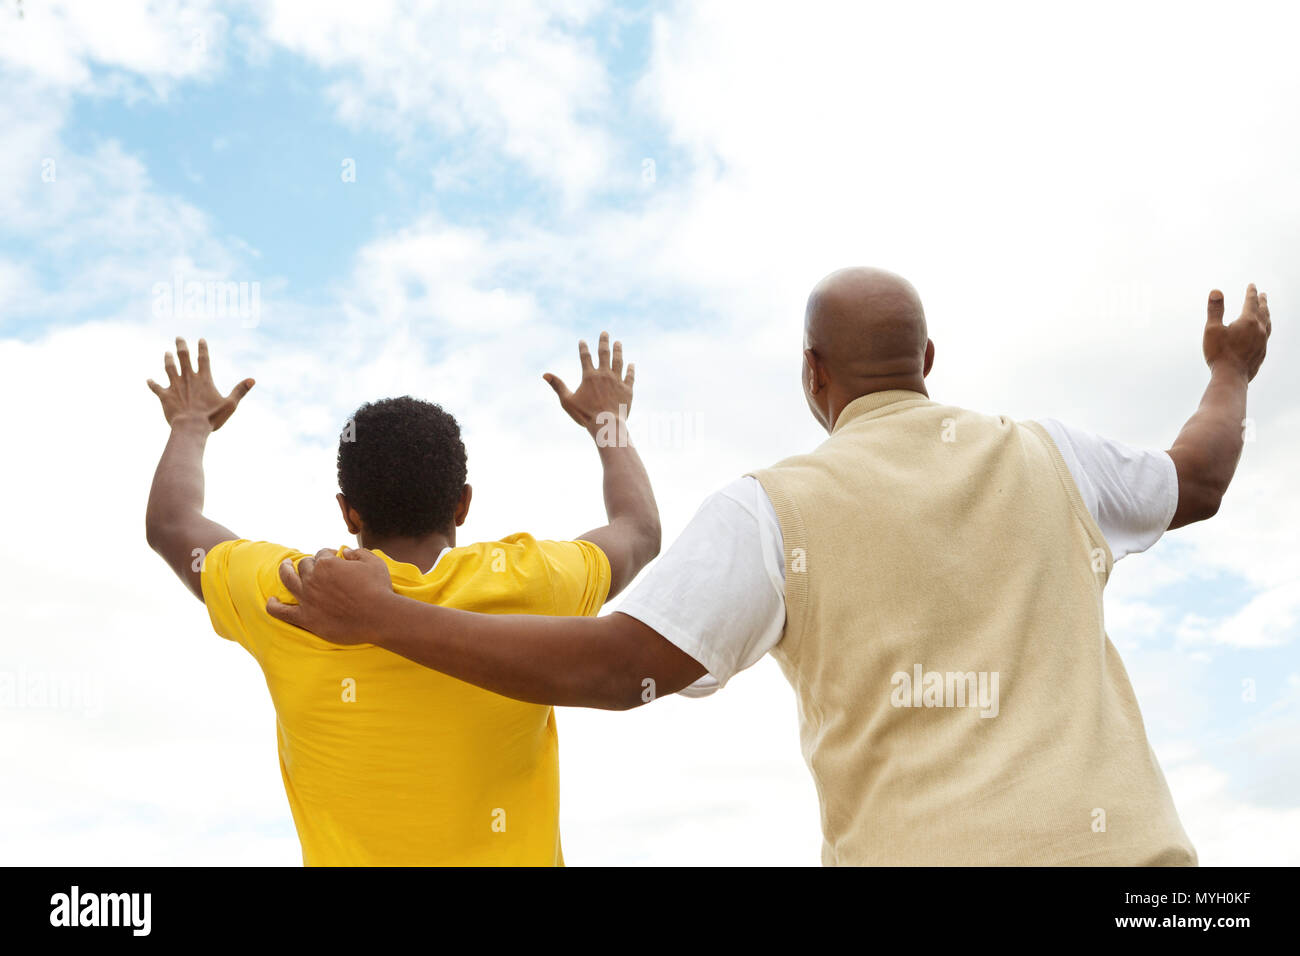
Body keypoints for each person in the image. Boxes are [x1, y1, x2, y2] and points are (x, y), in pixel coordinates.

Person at [269, 269, 1272, 866]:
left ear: (813, 373)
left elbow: (623, 667)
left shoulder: (771, 509)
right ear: (927, 356)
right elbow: (1200, 474)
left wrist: (387, 618)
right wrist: (1227, 370)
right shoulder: (1050, 454)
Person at [144, 332, 659, 865]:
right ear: (462, 504)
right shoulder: (536, 582)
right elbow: (638, 530)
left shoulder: (297, 592)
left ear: (348, 513)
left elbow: (171, 523)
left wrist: (189, 424)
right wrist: (609, 422)